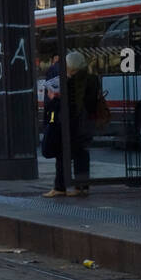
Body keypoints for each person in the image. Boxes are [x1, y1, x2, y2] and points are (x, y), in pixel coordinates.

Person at [45, 50, 99, 197]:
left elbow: (61, 104)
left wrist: (53, 97)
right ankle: (82, 187)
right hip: (85, 123)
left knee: (62, 154)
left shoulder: (66, 82)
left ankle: (60, 187)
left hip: (68, 123)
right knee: (82, 154)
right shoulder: (92, 80)